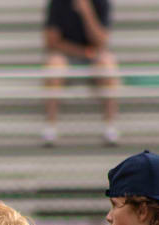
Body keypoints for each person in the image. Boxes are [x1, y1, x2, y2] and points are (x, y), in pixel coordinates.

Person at [42, 0, 120, 147]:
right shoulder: (58, 3)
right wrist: (82, 53)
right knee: (54, 64)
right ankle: (50, 126)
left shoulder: (101, 3)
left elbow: (102, 40)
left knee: (108, 63)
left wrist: (86, 13)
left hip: (94, 56)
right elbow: (51, 41)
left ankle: (110, 126)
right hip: (67, 54)